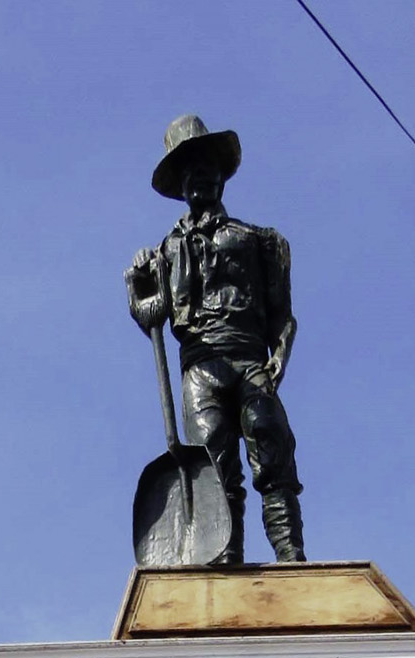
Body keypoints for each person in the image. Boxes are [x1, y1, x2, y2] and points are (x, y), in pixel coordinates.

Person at [126, 114, 305, 567]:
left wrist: (278, 357)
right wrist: (143, 301)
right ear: (181, 185)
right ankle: (226, 558)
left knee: (270, 446)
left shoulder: (260, 242)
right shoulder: (164, 253)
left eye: (206, 166)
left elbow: (283, 316)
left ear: (222, 176)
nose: (199, 176)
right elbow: (155, 313)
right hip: (200, 366)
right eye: (189, 170)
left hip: (249, 359)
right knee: (213, 462)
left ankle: (292, 556)